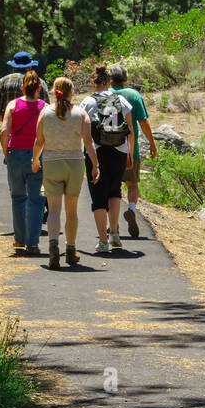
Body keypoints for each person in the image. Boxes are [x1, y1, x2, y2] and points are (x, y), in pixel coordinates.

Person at [32, 78, 100, 269]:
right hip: (74, 164)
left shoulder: (45, 113)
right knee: (71, 210)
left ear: (55, 92)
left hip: (52, 162)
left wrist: (35, 159)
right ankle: (70, 250)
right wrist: (95, 165)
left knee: (53, 210)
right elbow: (88, 142)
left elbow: (39, 142)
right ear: (71, 92)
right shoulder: (80, 113)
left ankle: (54, 246)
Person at [80, 64, 134, 255]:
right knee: (115, 191)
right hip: (119, 150)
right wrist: (129, 153)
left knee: (98, 196)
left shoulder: (87, 102)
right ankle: (114, 234)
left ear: (93, 83)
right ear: (109, 82)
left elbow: (83, 131)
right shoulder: (120, 99)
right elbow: (130, 129)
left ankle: (102, 241)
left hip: (97, 152)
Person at [0, 69, 46, 255]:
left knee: (17, 197)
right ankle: (33, 243)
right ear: (39, 88)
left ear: (22, 88)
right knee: (37, 200)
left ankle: (19, 240)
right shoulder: (44, 107)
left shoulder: (12, 105)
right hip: (37, 156)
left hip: (15, 155)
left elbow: (4, 131)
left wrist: (7, 153)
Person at [110, 63, 157, 238]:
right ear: (126, 79)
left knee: (112, 189)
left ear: (110, 79)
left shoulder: (104, 95)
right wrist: (152, 143)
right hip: (130, 150)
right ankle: (130, 209)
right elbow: (143, 122)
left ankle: (112, 225)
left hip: (108, 150)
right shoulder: (134, 95)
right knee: (132, 185)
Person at [0, 51, 49, 119]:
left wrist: (8, 122)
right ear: (29, 67)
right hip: (35, 127)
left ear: (14, 67)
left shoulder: (2, 82)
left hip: (11, 128)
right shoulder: (40, 83)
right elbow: (46, 111)